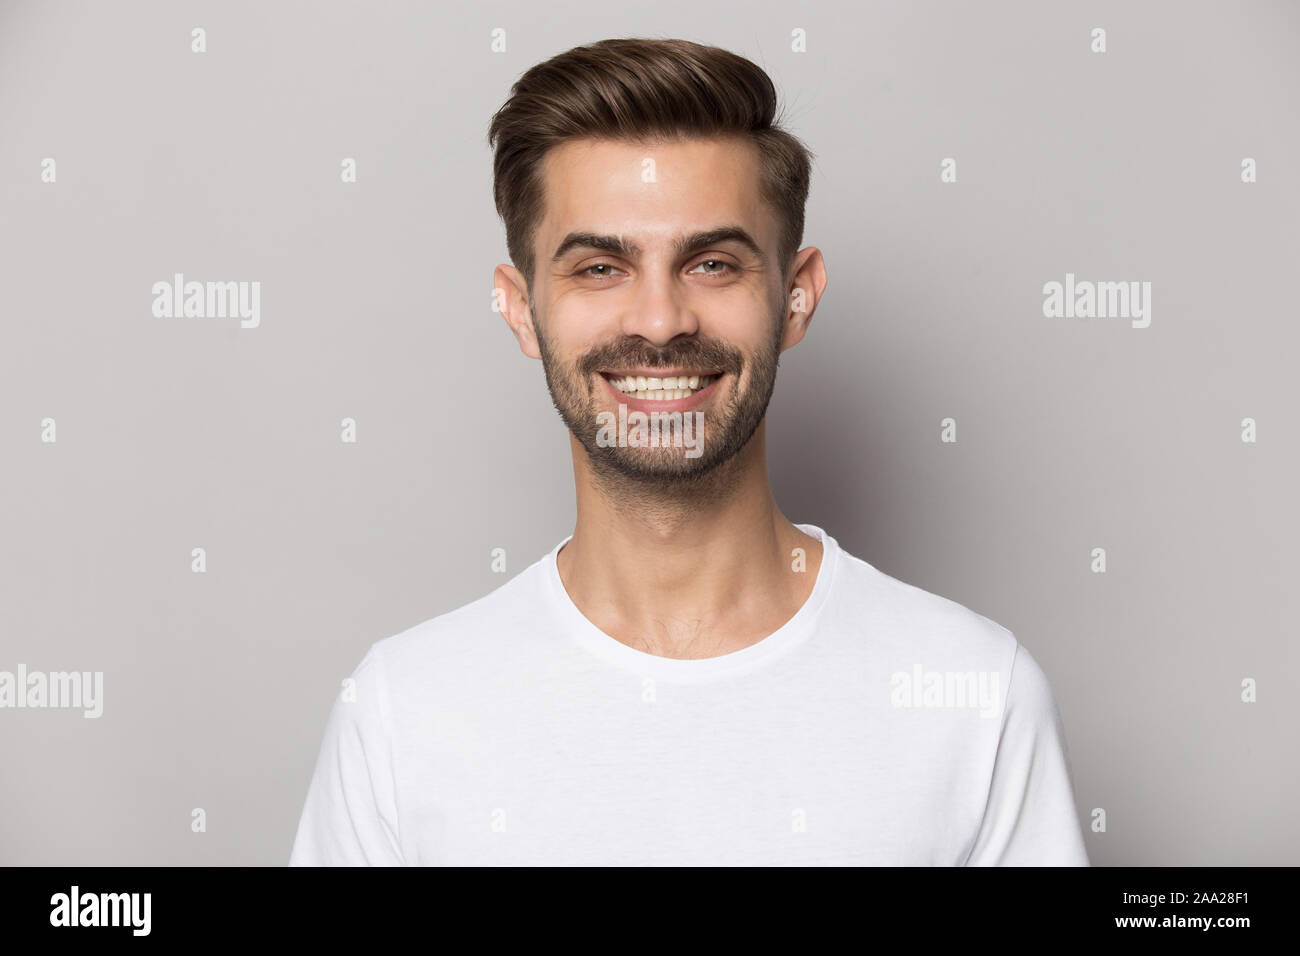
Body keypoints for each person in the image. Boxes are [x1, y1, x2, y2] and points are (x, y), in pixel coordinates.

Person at [289, 37, 1089, 866]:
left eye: (712, 263)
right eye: (600, 267)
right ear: (521, 310)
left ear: (796, 295)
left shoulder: (978, 698)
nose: (661, 320)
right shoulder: (400, 710)